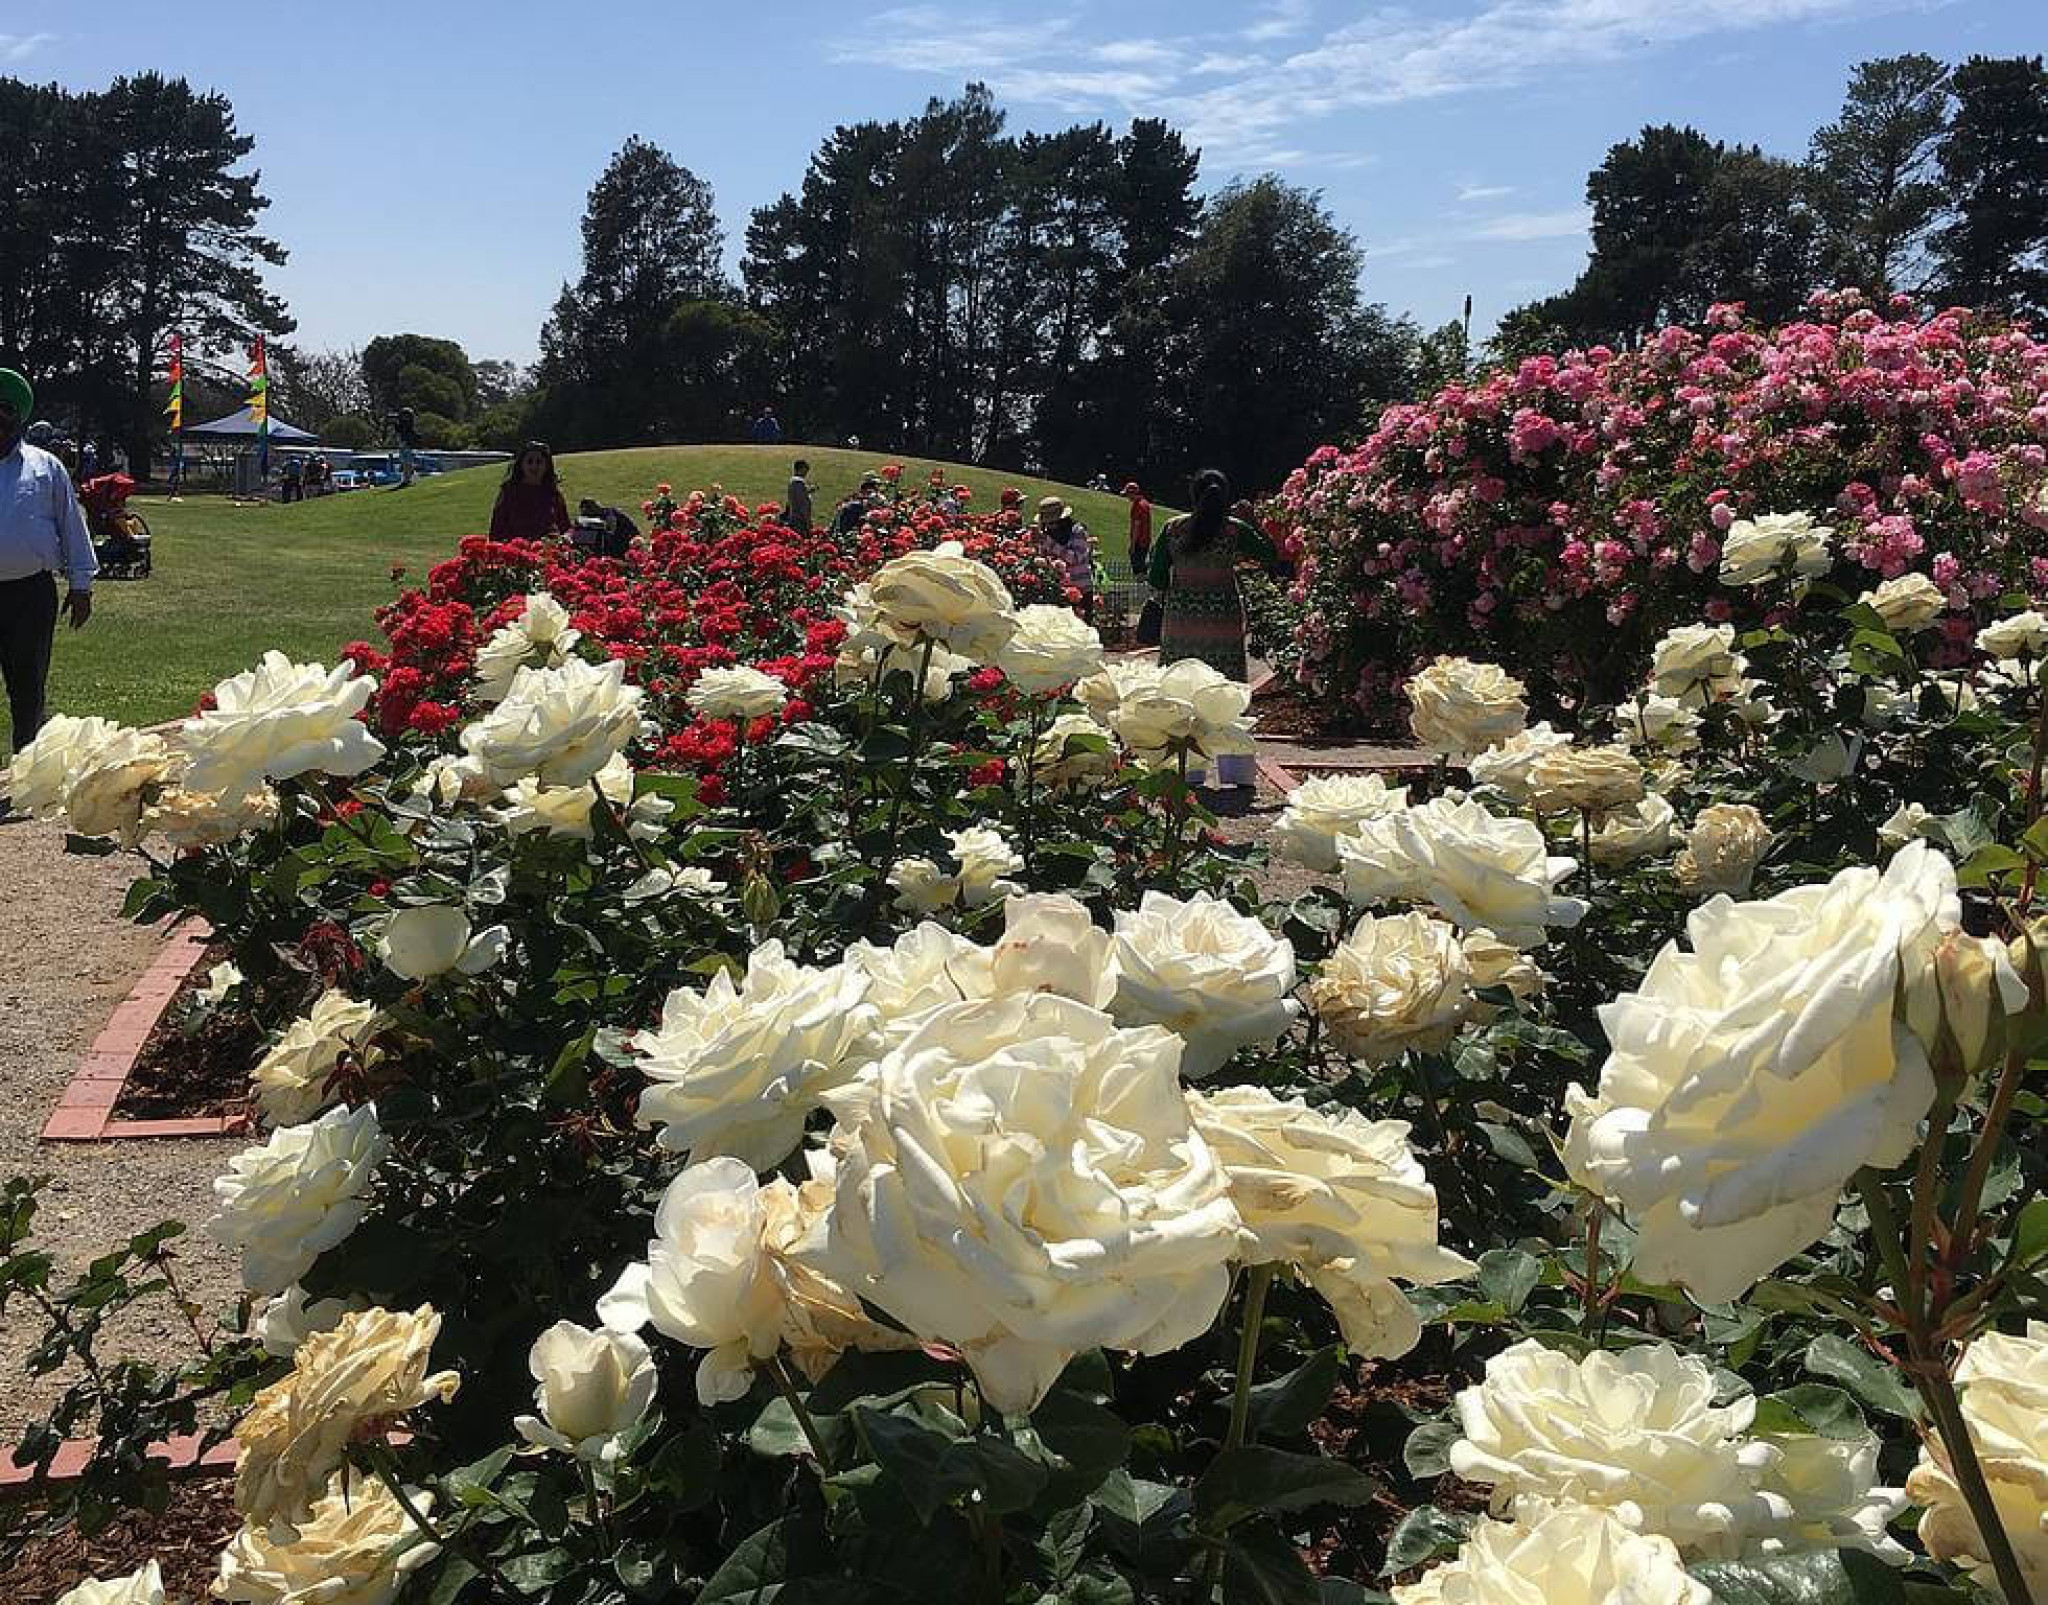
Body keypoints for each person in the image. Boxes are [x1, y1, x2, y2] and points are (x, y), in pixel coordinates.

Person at [1147, 468, 1287, 786]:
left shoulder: (1173, 529)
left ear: (1193, 495)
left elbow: (1155, 577)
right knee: (1228, 694)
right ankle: (1236, 770)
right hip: (1222, 622)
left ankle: (1189, 770)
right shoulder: (1234, 531)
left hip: (1182, 622)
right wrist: (1251, 522)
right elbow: (1269, 554)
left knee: (1182, 693)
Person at [0, 369, 95, 752]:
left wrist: (81, 585)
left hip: (30, 595)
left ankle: (26, 776)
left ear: (18, 417)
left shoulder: (45, 467)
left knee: (28, 687)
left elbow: (71, 524)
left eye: (6, 408)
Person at [488, 441, 571, 541]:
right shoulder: (508, 491)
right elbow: (496, 529)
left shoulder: (553, 493)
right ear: (521, 464)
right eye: (529, 461)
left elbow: (565, 527)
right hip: (515, 549)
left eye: (539, 462)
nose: (534, 467)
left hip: (546, 550)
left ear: (546, 466)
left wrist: (565, 538)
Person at [1036, 497, 1095, 621]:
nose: (1050, 526)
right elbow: (1044, 559)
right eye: (1047, 523)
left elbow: (1076, 558)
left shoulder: (1077, 531)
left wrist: (1049, 543)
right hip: (1057, 590)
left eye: (1053, 522)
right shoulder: (1047, 536)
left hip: (1080, 590)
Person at [574, 497, 639, 559]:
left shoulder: (611, 513)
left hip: (626, 543)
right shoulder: (601, 514)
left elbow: (610, 530)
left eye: (585, 512)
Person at [1122, 481, 1152, 574]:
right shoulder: (1145, 503)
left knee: (1138, 568)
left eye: (1127, 494)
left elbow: (1136, 527)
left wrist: (1132, 545)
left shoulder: (1137, 506)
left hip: (1139, 541)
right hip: (1145, 540)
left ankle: (1141, 585)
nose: (1127, 497)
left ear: (1131, 493)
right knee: (1142, 564)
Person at [786, 459, 814, 533]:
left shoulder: (794, 481)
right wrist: (807, 522)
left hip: (797, 518)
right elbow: (802, 503)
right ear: (801, 469)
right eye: (805, 470)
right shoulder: (798, 482)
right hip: (800, 521)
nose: (806, 473)